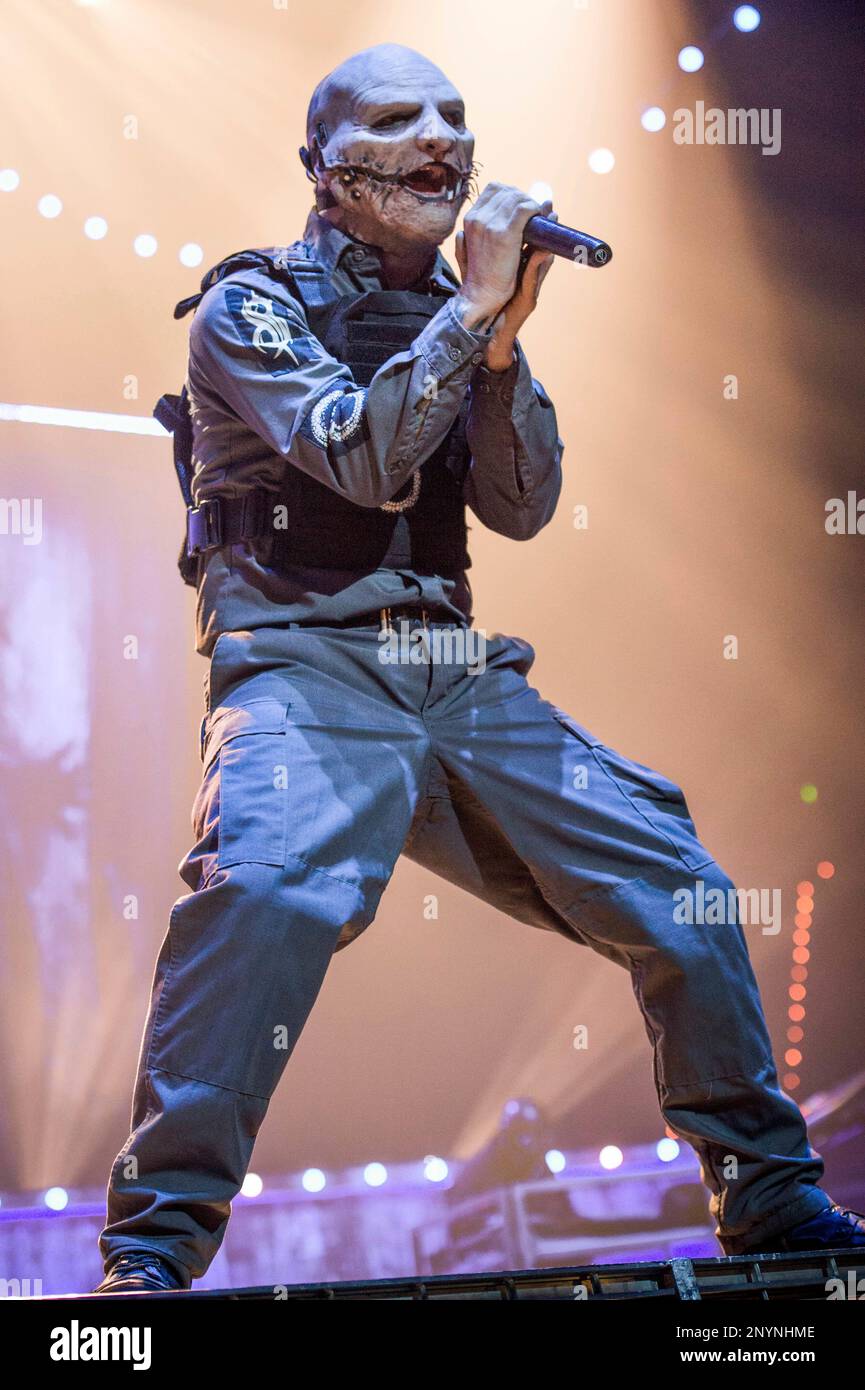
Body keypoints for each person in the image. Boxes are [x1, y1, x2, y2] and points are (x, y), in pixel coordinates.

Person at [95, 43, 862, 1293]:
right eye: (400, 120)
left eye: (455, 118)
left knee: (684, 887)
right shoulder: (252, 306)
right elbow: (357, 457)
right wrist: (469, 317)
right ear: (328, 168)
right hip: (301, 669)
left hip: (453, 671)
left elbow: (518, 507)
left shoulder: (459, 317)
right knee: (269, 897)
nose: (440, 139)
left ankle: (770, 1201)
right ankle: (151, 1256)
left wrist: (498, 349)